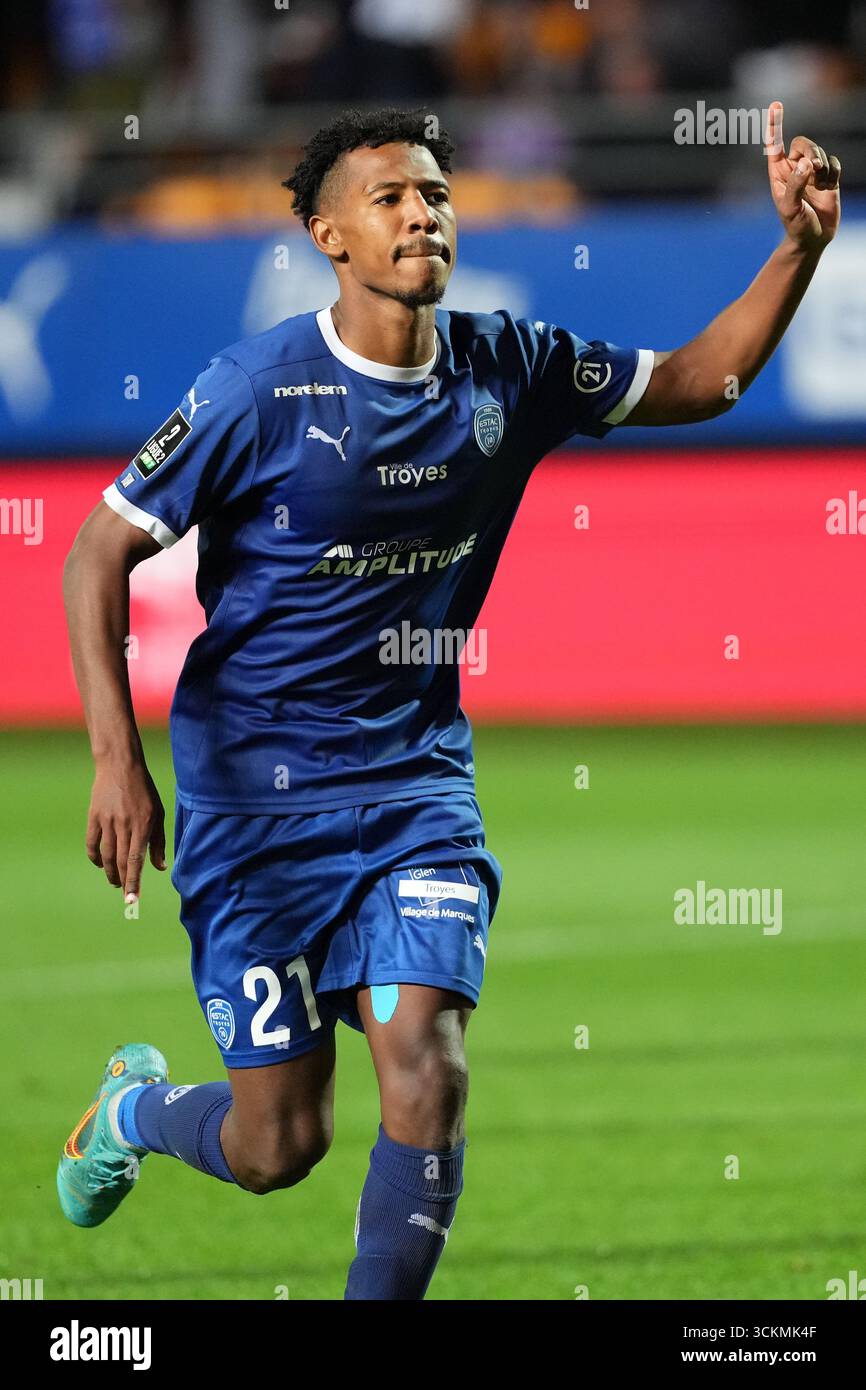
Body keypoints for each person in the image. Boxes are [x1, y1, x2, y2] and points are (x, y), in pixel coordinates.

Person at [57, 102, 840, 1300]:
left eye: (434, 193)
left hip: (412, 785)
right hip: (250, 801)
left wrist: (795, 249)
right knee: (278, 1144)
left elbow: (699, 381)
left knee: (426, 1067)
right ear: (329, 235)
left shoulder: (508, 366)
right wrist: (117, 760)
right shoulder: (254, 391)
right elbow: (95, 552)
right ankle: (132, 1110)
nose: (420, 213)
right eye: (388, 197)